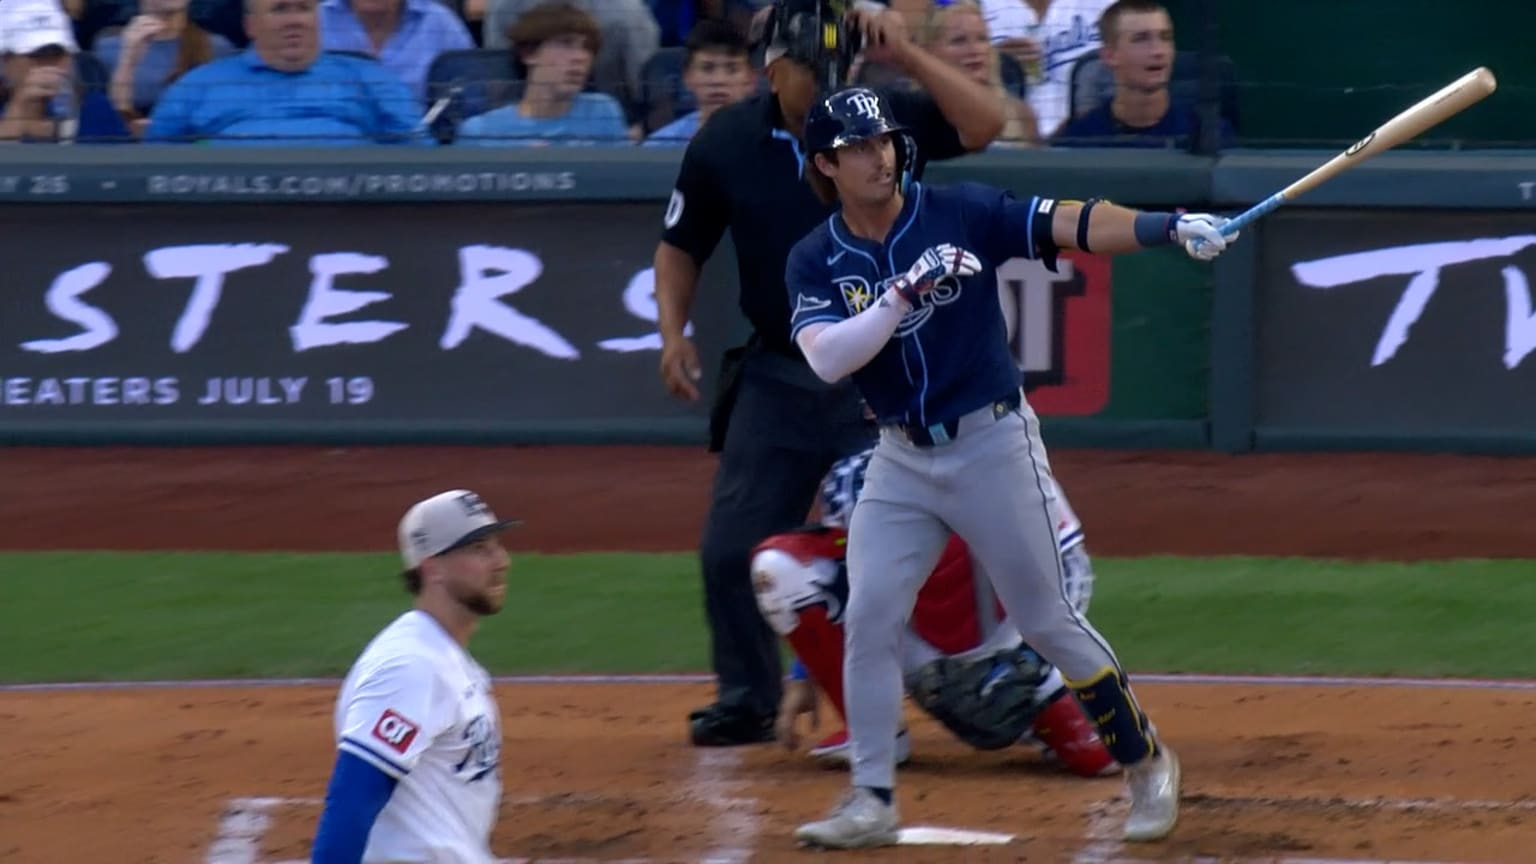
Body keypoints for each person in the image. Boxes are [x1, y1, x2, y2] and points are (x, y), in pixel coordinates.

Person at [783, 86, 1237, 848]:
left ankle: (1147, 760)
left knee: (1048, 620)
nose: (880, 156)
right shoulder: (817, 256)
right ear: (827, 163)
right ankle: (871, 798)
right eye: (859, 148)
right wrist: (901, 294)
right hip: (899, 457)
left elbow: (1070, 222)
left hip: (990, 443)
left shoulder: (959, 210)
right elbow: (829, 358)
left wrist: (1168, 227)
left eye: (885, 141)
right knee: (869, 616)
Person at [654, 0, 1006, 749]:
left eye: (836, 68)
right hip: (781, 371)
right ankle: (746, 697)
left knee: (872, 549)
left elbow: (985, 124)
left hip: (880, 374)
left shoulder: (880, 123)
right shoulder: (726, 143)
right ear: (771, 68)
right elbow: (680, 243)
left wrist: (906, 54)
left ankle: (873, 698)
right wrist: (670, 331)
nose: (825, 83)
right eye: (810, 69)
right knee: (729, 547)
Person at [753, 447, 1116, 779]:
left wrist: (1034, 655)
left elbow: (1069, 568)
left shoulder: (1002, 466)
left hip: (1002, 630)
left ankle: (1036, 706)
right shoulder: (855, 479)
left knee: (1100, 756)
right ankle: (873, 734)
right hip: (919, 628)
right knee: (780, 566)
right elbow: (842, 577)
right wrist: (805, 671)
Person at [310, 489, 518, 864]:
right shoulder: (409, 666)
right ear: (432, 567)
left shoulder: (447, 658)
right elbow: (352, 797)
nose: (501, 560)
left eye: (497, 545)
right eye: (479, 549)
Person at [143, 0, 424, 146]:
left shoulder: (372, 79)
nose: (295, 21)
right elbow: (153, 164)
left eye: (304, 8)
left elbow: (419, 158)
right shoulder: (198, 85)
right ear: (251, 26)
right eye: (279, 9)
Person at [1052, 0, 1234, 150]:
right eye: (1141, 39)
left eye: (1165, 37)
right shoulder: (1080, 140)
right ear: (1109, 56)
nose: (1158, 51)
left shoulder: (1208, 134)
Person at [455, 1, 630, 147]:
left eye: (587, 48)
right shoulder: (480, 133)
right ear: (529, 54)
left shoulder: (603, 113)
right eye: (566, 44)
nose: (580, 57)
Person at [94, 0, 236, 134]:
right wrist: (128, 59)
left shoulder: (217, 47)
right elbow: (107, 119)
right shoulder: (108, 47)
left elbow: (226, 112)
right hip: (129, 148)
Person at [0, 0, 132, 142]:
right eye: (37, 55)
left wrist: (63, 130)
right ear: (5, 62)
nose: (48, 66)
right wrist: (15, 118)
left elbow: (125, 161)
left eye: (57, 54)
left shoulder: (95, 109)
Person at [641, 18, 755, 146]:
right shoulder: (659, 147)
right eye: (707, 68)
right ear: (688, 78)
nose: (718, 81)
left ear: (750, 79)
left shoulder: (776, 147)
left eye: (732, 69)